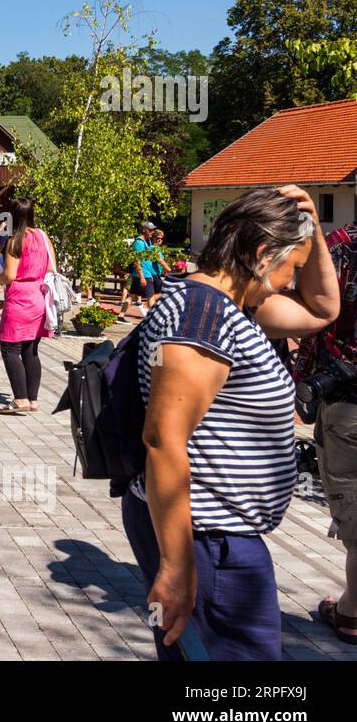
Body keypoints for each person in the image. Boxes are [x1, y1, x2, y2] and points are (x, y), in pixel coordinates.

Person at [124, 185, 339, 661]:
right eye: (292, 268)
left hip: (214, 534)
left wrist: (312, 233)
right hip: (207, 539)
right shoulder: (202, 318)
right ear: (263, 255)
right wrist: (177, 568)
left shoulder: (226, 302)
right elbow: (163, 439)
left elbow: (323, 310)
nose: (291, 282)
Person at [295, 218, 357, 646]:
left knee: (354, 510)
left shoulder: (339, 245)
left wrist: (302, 381)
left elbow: (314, 316)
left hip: (347, 399)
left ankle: (351, 613)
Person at [0, 198, 55, 415]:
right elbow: (51, 267)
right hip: (39, 295)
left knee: (10, 348)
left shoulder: (14, 241)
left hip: (20, 298)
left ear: (13, 215)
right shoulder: (42, 236)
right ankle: (33, 399)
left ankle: (20, 399)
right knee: (31, 348)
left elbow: (10, 275)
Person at [120, 221, 158, 320]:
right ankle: (153, 319)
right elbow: (136, 261)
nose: (152, 232)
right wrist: (142, 276)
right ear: (144, 229)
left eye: (153, 230)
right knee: (151, 296)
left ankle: (121, 316)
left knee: (131, 296)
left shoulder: (146, 242)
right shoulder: (139, 243)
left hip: (143, 273)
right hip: (143, 274)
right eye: (150, 230)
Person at [150, 228, 173, 294]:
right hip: (153, 274)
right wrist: (169, 270)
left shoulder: (157, 248)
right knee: (157, 295)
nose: (160, 240)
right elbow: (160, 260)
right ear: (153, 238)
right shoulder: (154, 248)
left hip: (157, 274)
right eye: (158, 238)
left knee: (154, 296)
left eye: (161, 238)